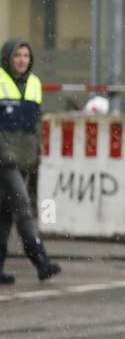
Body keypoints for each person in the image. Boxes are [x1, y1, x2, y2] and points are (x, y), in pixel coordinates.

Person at [0, 39, 60, 284]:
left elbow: (34, 126)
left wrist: (37, 153)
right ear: (8, 58)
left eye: (25, 55)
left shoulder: (34, 83)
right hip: (4, 160)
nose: (22, 60)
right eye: (17, 55)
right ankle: (40, 260)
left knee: (3, 214)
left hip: (24, 158)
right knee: (23, 208)